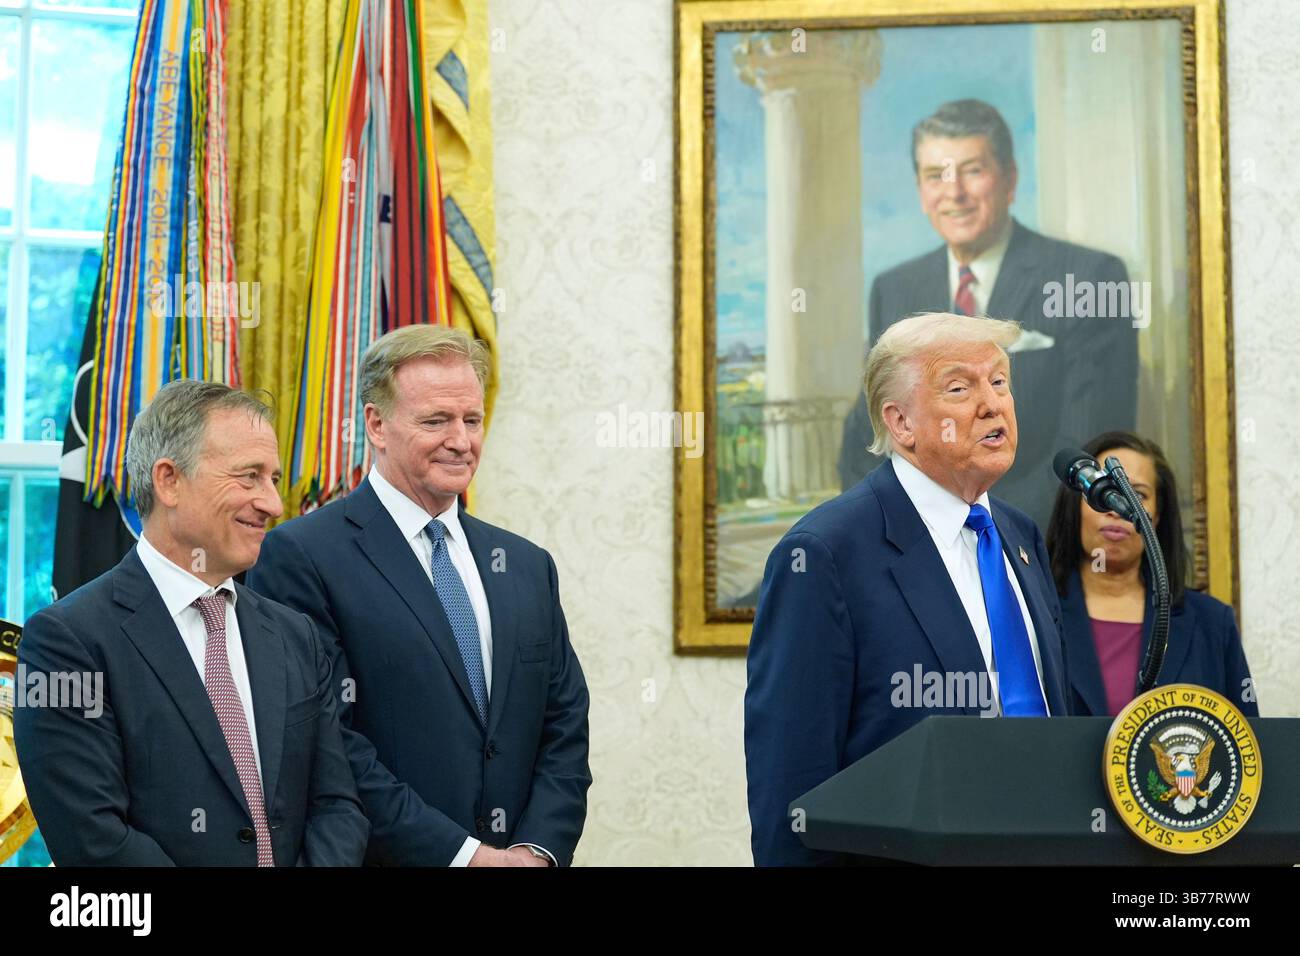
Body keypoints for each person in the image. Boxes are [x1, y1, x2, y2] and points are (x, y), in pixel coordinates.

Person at [247, 325, 591, 867]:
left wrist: (535, 851)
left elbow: (565, 721)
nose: (461, 440)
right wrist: (466, 857)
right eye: (436, 421)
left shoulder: (526, 565)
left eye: (471, 420)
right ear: (376, 424)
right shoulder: (300, 557)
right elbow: (328, 741)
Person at [746, 312, 1070, 867]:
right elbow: (791, 780)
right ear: (900, 422)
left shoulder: (1020, 536)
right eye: (959, 387)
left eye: (999, 381)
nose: (992, 404)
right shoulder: (825, 554)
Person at [14, 381, 368, 866]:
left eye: (274, 479)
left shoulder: (295, 636)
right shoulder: (67, 642)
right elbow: (93, 839)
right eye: (249, 477)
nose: (273, 504)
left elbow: (337, 806)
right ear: (168, 481)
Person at [839, 98, 1138, 530]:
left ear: (1010, 180)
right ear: (921, 190)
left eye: (973, 170)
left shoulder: (1089, 278)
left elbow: (1087, 446)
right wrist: (899, 533)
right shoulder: (895, 288)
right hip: (913, 550)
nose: (954, 192)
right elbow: (863, 439)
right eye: (935, 175)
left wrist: (975, 529)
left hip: (1034, 547)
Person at [1045, 431, 1259, 717]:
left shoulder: (1212, 624)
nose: (1114, 507)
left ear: (1157, 516)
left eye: (1138, 494)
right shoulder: (1037, 612)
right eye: (1100, 491)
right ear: (1075, 507)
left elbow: (1244, 744)